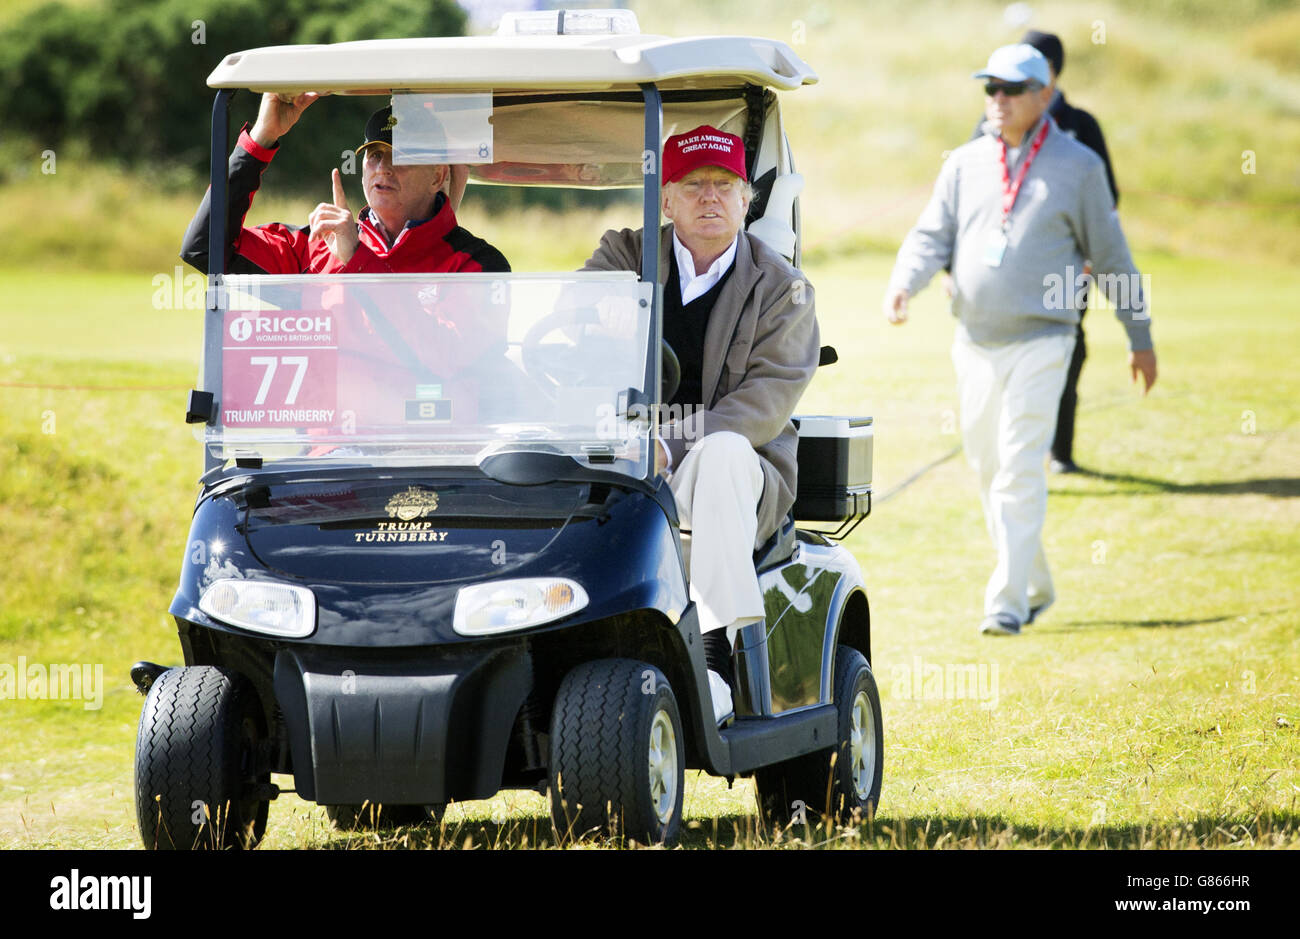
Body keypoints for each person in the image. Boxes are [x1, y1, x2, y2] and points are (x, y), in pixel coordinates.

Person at [882, 44, 1156, 637]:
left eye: (1010, 89)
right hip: (975, 340)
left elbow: (1112, 258)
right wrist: (905, 282)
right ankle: (1036, 583)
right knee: (987, 465)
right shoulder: (964, 162)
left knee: (1018, 467)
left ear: (1044, 95)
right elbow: (932, 234)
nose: (997, 100)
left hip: (1046, 339)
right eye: (990, 89)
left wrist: (1140, 336)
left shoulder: (1080, 166)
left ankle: (1005, 601)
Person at [583, 125, 820, 722]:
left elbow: (763, 404)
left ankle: (715, 660)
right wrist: (594, 315)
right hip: (625, 460)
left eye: (725, 185)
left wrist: (669, 442)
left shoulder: (783, 289)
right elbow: (569, 323)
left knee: (721, 455)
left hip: (739, 473)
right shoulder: (625, 254)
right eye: (694, 186)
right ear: (666, 201)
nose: (710, 198)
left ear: (747, 200)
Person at [181, 92, 507, 275]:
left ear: (438, 175)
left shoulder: (475, 264)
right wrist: (262, 138)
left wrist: (357, 261)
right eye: (374, 155)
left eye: (402, 156)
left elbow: (444, 361)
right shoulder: (316, 247)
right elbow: (203, 249)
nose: (383, 168)